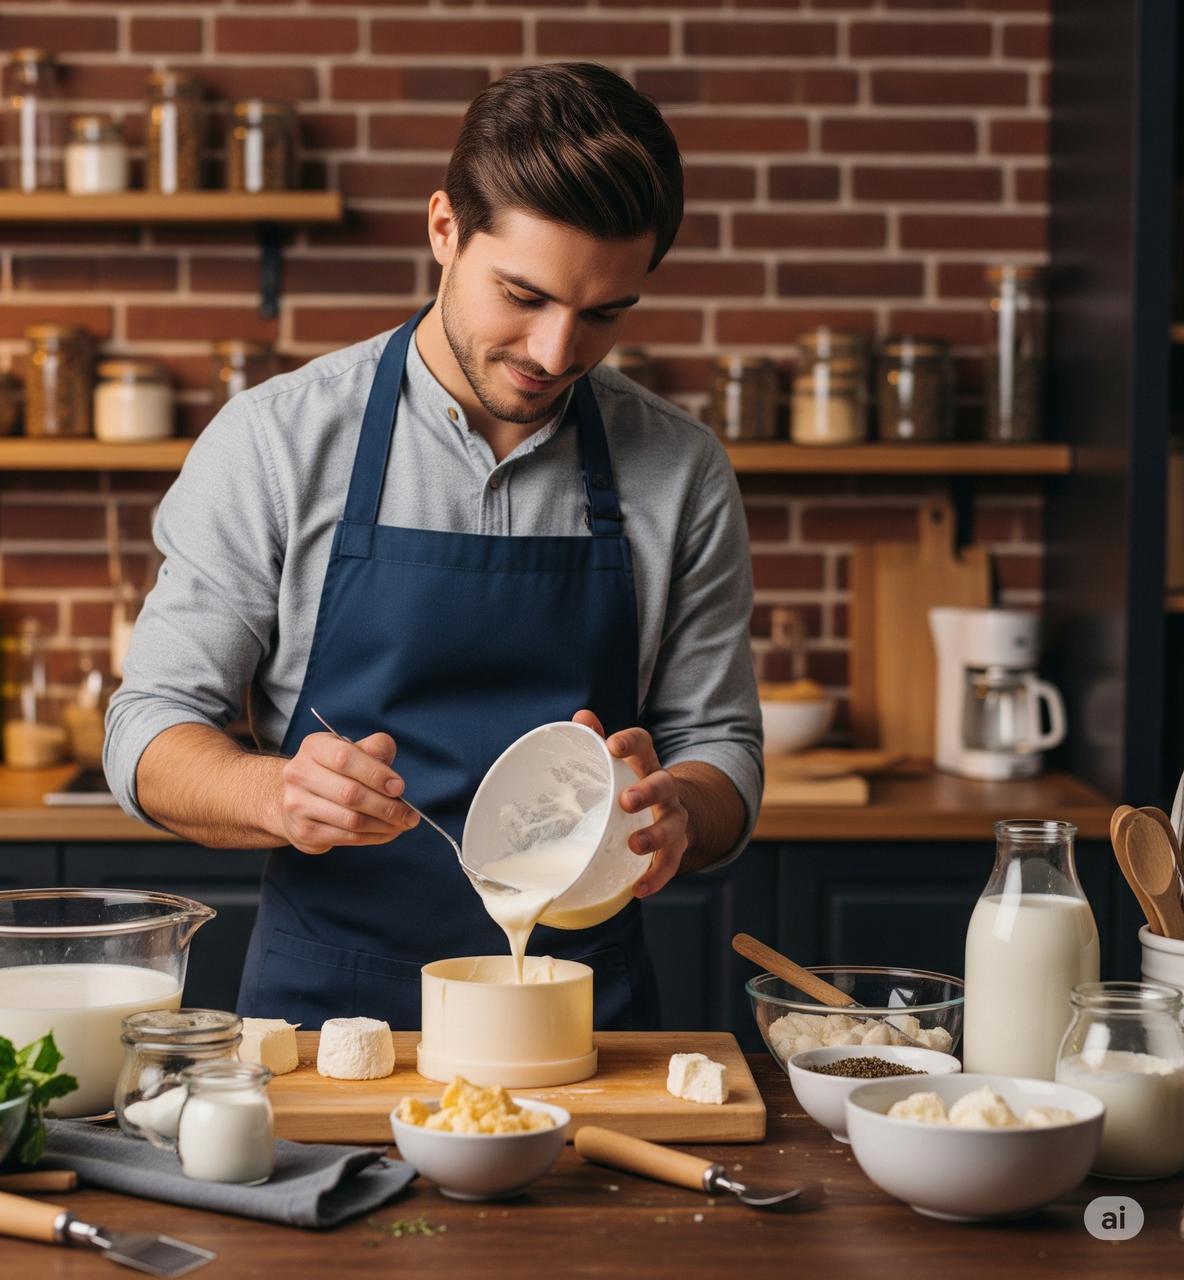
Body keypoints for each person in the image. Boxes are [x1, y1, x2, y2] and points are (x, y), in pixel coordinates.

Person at [104, 62, 763, 1031]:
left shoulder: (677, 468)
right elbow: (147, 729)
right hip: (326, 1019)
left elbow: (719, 746)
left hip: (582, 1015)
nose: (554, 352)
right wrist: (275, 790)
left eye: (603, 314)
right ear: (444, 228)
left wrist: (682, 812)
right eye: (523, 295)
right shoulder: (277, 442)